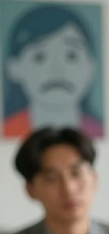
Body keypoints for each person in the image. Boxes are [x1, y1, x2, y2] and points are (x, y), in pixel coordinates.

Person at [3, 4, 103, 138]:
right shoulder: (8, 128)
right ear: (14, 67)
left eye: (71, 56)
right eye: (39, 57)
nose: (57, 71)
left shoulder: (98, 129)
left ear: (91, 65)